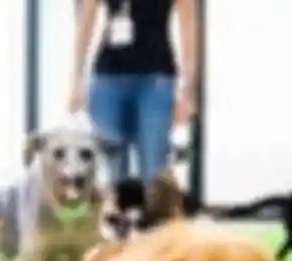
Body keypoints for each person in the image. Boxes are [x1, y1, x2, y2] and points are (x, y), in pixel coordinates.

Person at [69, 0, 199, 183]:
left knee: (154, 170)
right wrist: (76, 81)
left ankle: (155, 210)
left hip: (156, 79)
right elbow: (85, 21)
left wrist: (188, 92)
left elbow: (189, 24)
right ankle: (116, 210)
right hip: (108, 79)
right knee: (112, 171)